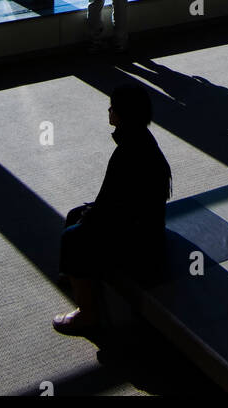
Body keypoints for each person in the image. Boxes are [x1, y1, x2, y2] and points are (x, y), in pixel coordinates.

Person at [53, 82, 173, 335]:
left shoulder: (128, 153)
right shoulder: (141, 141)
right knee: (76, 214)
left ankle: (88, 313)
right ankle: (76, 275)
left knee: (73, 237)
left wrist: (88, 220)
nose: (108, 111)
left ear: (121, 114)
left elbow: (110, 207)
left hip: (138, 238)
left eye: (112, 108)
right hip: (144, 223)